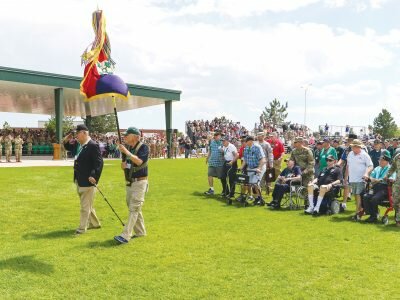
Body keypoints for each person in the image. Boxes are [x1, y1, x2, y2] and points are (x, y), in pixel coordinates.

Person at [63, 124, 103, 235]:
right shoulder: (79, 144)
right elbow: (66, 147)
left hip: (88, 181)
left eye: (77, 133)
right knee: (87, 204)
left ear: (84, 133)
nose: (76, 136)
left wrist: (94, 176)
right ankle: (95, 223)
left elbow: (98, 163)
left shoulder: (92, 145)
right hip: (79, 179)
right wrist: (67, 137)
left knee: (85, 207)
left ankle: (81, 228)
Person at [114, 127, 149, 244]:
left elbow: (139, 162)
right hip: (130, 182)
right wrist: (123, 165)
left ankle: (125, 235)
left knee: (134, 208)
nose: (124, 137)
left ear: (135, 136)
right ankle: (140, 232)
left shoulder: (143, 147)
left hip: (140, 182)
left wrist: (126, 153)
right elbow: (127, 165)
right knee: (134, 207)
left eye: (127, 135)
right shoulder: (128, 148)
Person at [363, 151, 395, 223]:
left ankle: (374, 217)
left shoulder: (391, 169)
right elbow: (371, 178)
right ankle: (372, 214)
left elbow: (391, 180)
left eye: (381, 160)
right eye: (379, 160)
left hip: (385, 188)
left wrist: (378, 180)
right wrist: (373, 179)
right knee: (366, 196)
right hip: (375, 187)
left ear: (386, 161)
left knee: (374, 198)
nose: (379, 161)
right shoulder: (377, 168)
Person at [345, 139, 373, 219]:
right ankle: (360, 211)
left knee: (358, 195)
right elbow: (348, 166)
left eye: (354, 146)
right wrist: (346, 177)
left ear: (359, 147)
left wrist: (366, 173)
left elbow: (370, 166)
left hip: (361, 179)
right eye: (352, 146)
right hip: (352, 179)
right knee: (356, 196)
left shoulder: (364, 155)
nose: (353, 148)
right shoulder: (350, 154)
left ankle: (357, 213)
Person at [241, 136, 266, 205]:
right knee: (250, 183)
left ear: (251, 141)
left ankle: (260, 199)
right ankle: (256, 198)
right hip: (250, 168)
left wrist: (259, 168)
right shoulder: (246, 148)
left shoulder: (257, 147)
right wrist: (241, 167)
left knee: (255, 183)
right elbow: (245, 159)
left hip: (258, 167)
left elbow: (263, 159)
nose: (245, 143)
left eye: (246, 141)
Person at [221, 136, 239, 201]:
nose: (223, 142)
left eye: (224, 141)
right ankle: (226, 191)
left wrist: (232, 162)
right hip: (226, 162)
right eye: (222, 141)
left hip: (232, 163)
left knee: (231, 179)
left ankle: (231, 193)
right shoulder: (224, 146)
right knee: (222, 177)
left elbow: (237, 155)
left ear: (227, 141)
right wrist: (223, 157)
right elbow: (223, 152)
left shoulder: (231, 146)